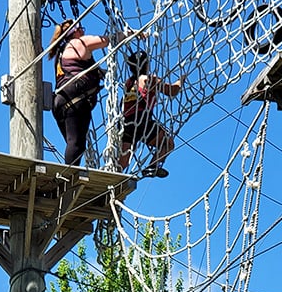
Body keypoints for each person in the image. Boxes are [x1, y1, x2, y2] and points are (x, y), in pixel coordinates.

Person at [48, 20, 124, 166]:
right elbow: (107, 40)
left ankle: (70, 172)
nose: (83, 31)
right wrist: (128, 34)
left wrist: (98, 73)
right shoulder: (78, 43)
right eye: (80, 29)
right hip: (75, 100)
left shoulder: (62, 51)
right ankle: (69, 175)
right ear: (74, 32)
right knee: (76, 144)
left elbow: (76, 69)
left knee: (74, 143)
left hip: (60, 102)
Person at [119, 50, 183, 178]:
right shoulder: (148, 79)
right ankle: (152, 166)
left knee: (123, 161)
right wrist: (181, 80)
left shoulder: (129, 82)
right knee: (167, 143)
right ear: (146, 64)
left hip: (126, 122)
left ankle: (113, 176)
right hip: (142, 121)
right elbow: (172, 91)